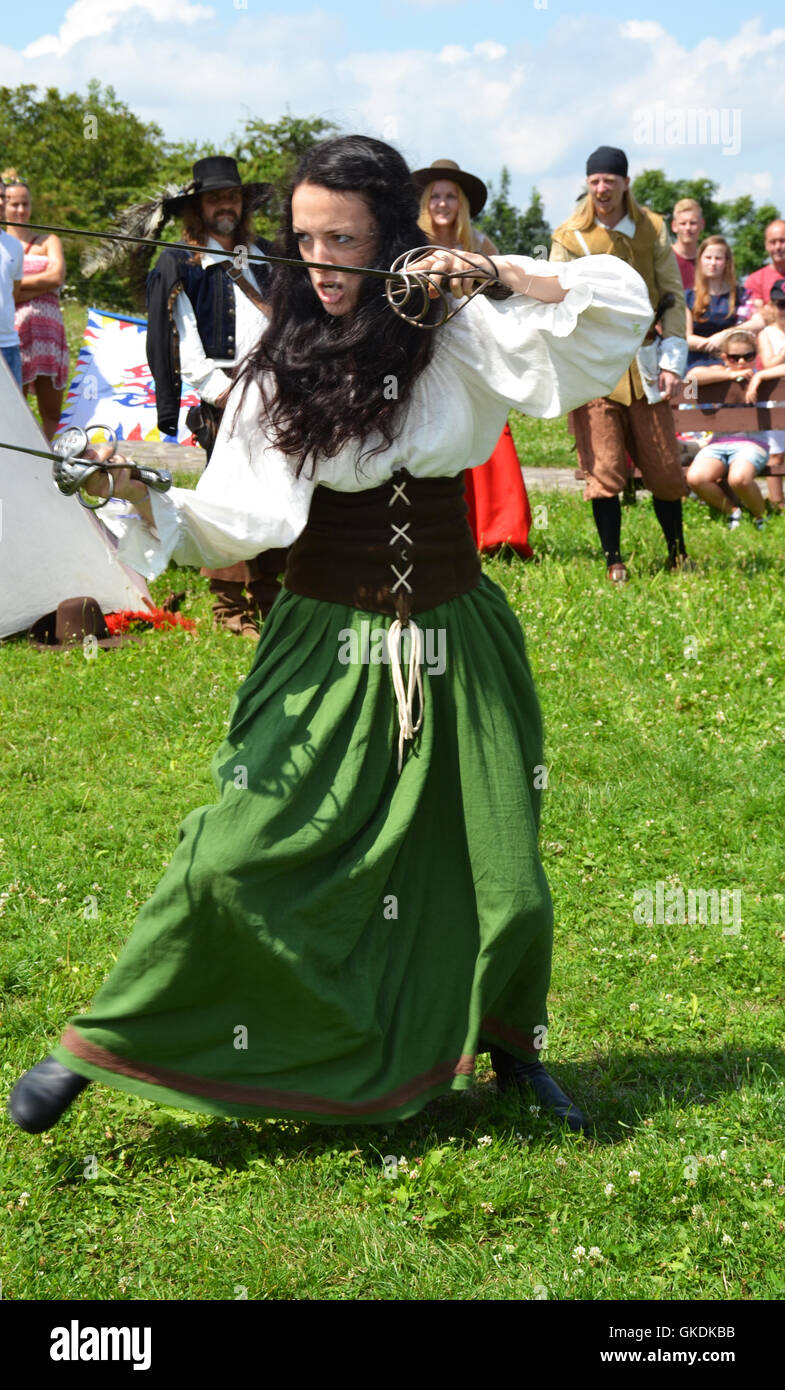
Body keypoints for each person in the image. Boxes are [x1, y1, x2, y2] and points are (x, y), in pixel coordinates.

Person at [8, 135, 653, 1141]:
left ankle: (510, 1046)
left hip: (458, 638)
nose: (318, 260)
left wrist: (494, 269)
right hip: (328, 645)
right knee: (234, 857)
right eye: (302, 238)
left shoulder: (462, 337)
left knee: (508, 882)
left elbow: (613, 307)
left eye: (340, 237)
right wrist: (140, 488)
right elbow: (237, 519)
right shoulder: (282, 368)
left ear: (391, 236)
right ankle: (106, 1042)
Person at [146, 155, 285, 636]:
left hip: (279, 394)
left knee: (278, 490)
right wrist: (220, 392)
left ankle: (269, 595)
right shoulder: (181, 263)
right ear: (198, 208)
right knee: (229, 497)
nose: (225, 205)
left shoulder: (267, 254)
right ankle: (229, 606)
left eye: (232, 197)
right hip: (227, 398)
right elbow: (180, 337)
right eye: (215, 199)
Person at [550, 145, 690, 583]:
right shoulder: (569, 236)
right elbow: (556, 301)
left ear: (625, 182)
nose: (601, 188)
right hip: (595, 369)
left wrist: (672, 362)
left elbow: (672, 296)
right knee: (604, 469)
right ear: (587, 184)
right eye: (594, 181)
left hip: (647, 364)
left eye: (610, 180)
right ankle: (614, 561)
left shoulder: (651, 228)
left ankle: (678, 553)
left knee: (665, 467)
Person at [412, 157, 532, 559]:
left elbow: (507, 295)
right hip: (428, 352)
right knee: (442, 433)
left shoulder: (479, 245)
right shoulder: (411, 246)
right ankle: (450, 526)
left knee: (490, 430)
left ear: (460, 203)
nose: (442, 204)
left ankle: (501, 531)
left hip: (477, 351)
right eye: (435, 197)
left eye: (450, 196)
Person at [2, 171, 68, 437]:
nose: (20, 210)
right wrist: (43, 286)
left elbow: (57, 276)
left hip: (49, 334)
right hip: (15, 333)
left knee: (51, 409)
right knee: (15, 405)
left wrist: (19, 286)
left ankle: (48, 460)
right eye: (14, 204)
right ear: (3, 205)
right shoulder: (5, 247)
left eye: (25, 203)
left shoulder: (48, 240)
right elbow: (9, 291)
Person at [685, 331, 767, 528]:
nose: (741, 362)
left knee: (738, 479)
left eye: (748, 356)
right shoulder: (720, 374)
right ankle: (733, 511)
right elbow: (692, 376)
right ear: (724, 358)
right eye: (734, 357)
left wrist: (759, 376)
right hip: (719, 442)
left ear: (755, 356)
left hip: (751, 442)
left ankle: (761, 517)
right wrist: (730, 374)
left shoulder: (760, 376)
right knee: (696, 478)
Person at [684, 236, 764, 373]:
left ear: (727, 262)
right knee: (692, 386)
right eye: (708, 257)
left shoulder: (740, 295)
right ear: (700, 260)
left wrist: (724, 336)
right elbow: (686, 338)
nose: (713, 263)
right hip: (695, 362)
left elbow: (759, 322)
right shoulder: (688, 297)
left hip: (733, 360)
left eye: (718, 258)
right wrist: (711, 344)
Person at [750, 277, 785, 512]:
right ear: (772, 306)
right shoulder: (766, 333)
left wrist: (761, 375)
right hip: (775, 401)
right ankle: (778, 504)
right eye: (781, 304)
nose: (784, 310)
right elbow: (769, 362)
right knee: (776, 456)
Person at [0, 177, 24, 387]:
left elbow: (13, 294)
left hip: (8, 346)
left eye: (2, 197)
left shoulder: (14, 246)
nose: (0, 203)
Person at [744, 219, 785, 312]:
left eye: (782, 241)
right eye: (772, 242)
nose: (778, 247)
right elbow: (757, 315)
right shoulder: (755, 280)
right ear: (766, 245)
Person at [671, 198, 704, 290]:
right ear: (674, 226)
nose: (688, 228)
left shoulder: (708, 261)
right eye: (683, 223)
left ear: (702, 224)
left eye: (693, 223)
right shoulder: (664, 258)